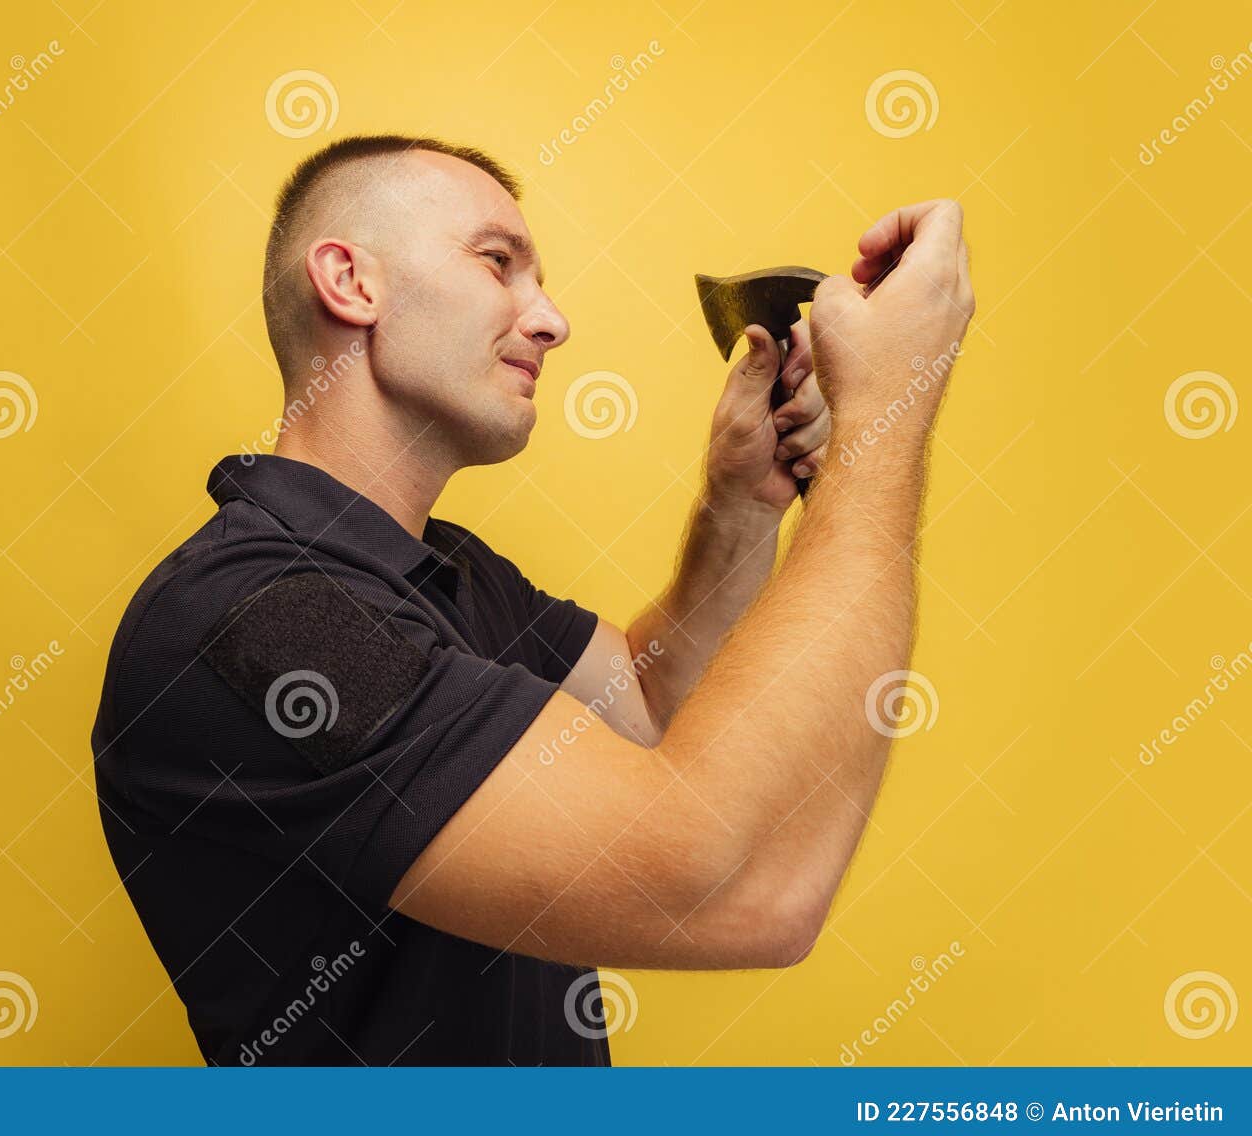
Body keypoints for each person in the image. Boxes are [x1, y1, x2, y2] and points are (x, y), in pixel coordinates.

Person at [90, 133, 975, 1065]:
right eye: (497, 262)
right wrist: (884, 417)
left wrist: (741, 503)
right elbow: (733, 884)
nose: (550, 320)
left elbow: (642, 706)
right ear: (350, 282)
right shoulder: (269, 618)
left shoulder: (440, 573)